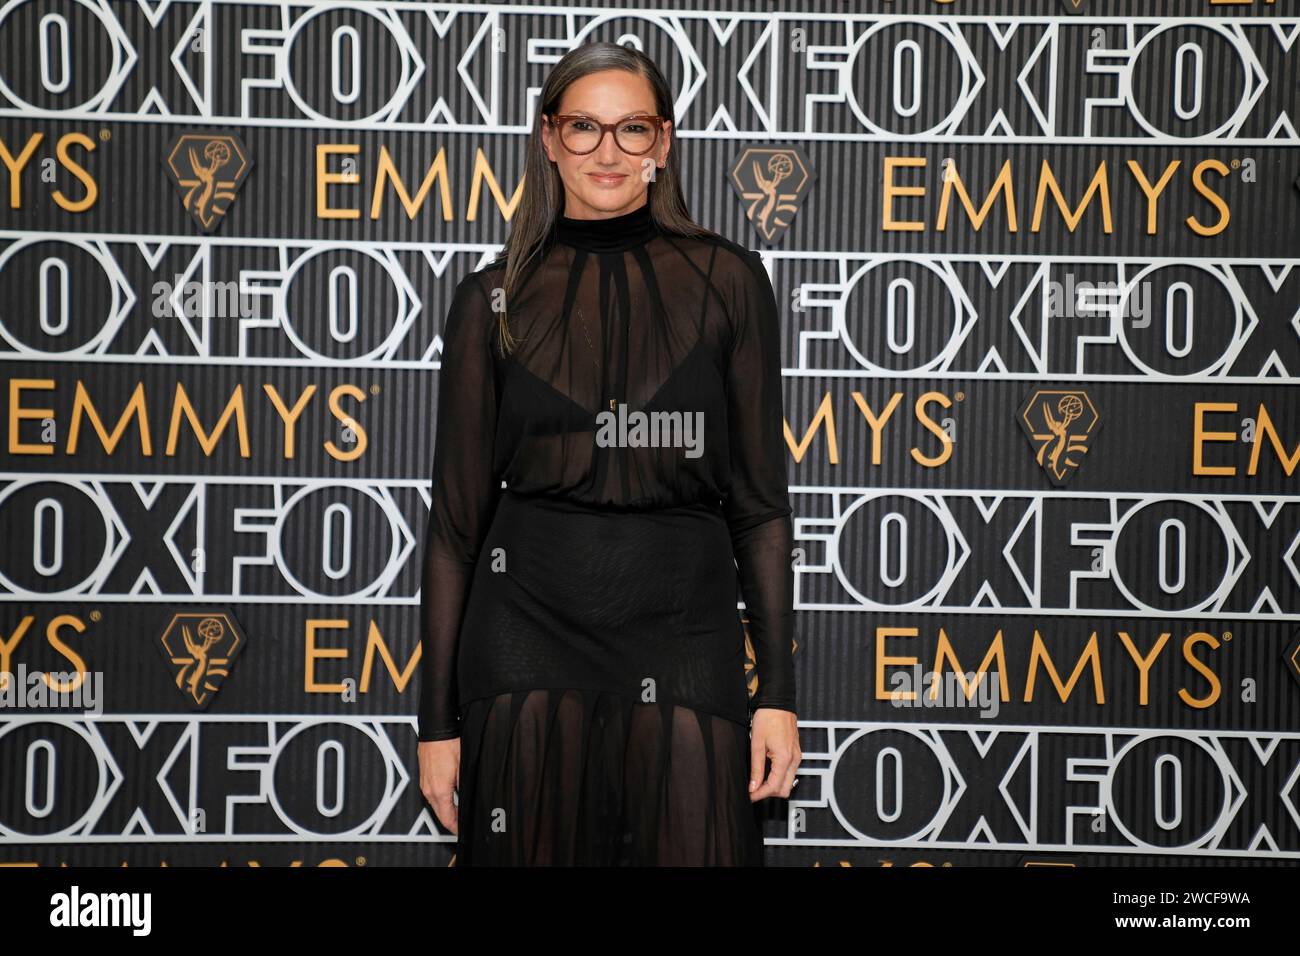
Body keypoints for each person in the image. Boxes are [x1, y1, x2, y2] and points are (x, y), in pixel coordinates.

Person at [415, 41, 801, 866]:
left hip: (685, 638)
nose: (608, 152)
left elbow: (762, 508)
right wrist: (437, 725)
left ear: (663, 144)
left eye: (633, 130)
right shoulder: (491, 300)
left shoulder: (730, 281)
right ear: (549, 138)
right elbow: (454, 526)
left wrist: (777, 697)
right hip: (524, 641)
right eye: (584, 127)